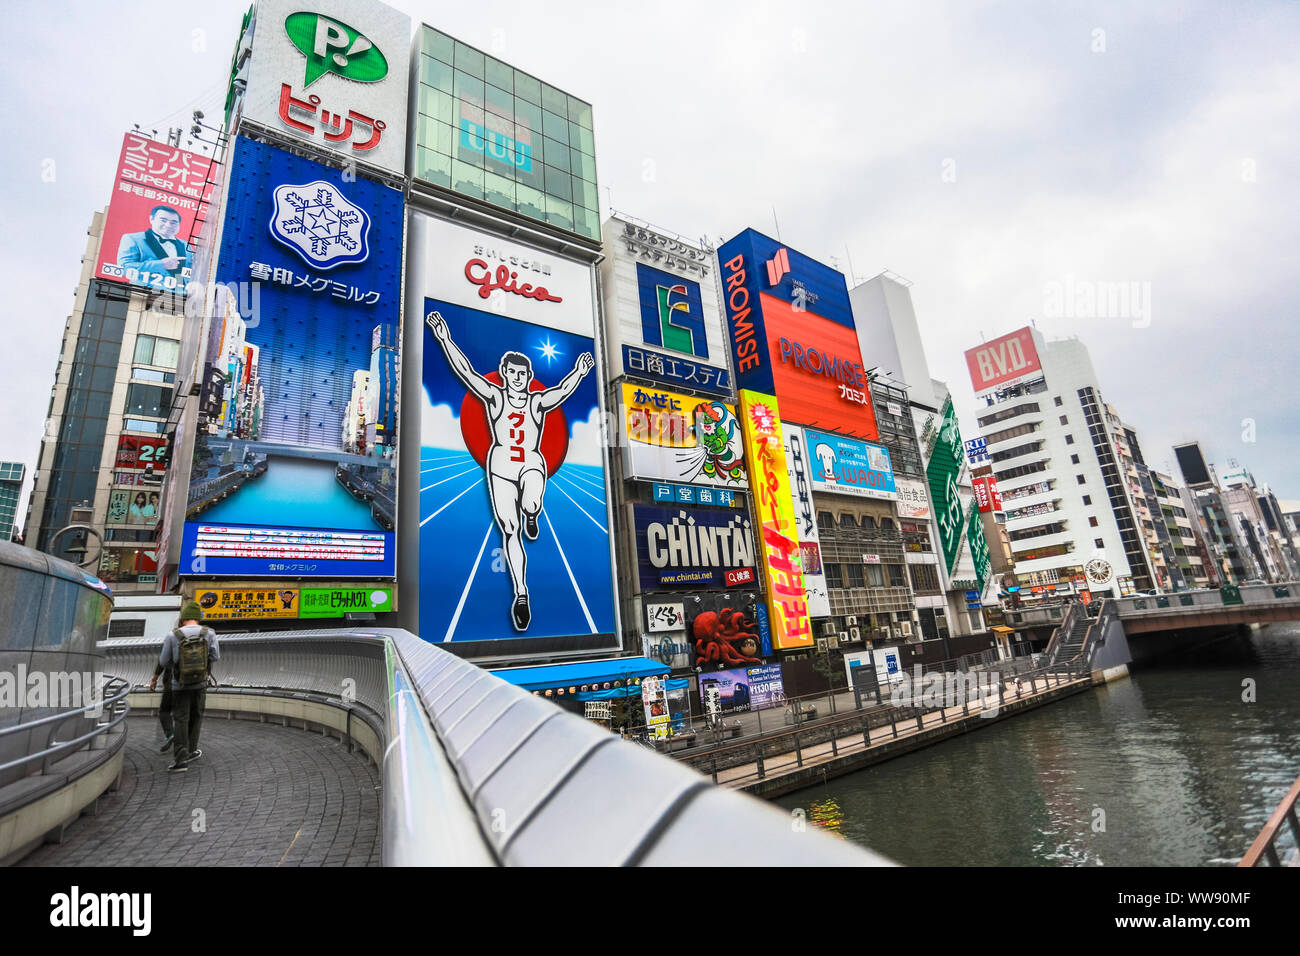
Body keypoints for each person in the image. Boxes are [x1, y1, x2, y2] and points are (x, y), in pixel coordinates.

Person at [426, 310, 594, 632]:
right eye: (512, 372)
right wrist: (445, 338)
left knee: (531, 501)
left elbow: (561, 391)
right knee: (509, 531)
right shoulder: (494, 397)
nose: (518, 377)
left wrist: (580, 372)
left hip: (531, 460)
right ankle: (520, 593)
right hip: (501, 464)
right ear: (504, 373)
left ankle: (533, 511)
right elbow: (467, 372)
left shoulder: (536, 402)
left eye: (523, 373)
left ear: (528, 376)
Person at [157, 601, 220, 772]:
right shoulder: (209, 633)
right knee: (197, 715)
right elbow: (215, 657)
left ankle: (180, 760)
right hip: (200, 683)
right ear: (198, 619)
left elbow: (163, 661)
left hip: (180, 684)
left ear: (184, 619)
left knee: (181, 719)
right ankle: (192, 750)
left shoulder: (173, 635)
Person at [116, 204, 192, 280]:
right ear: (151, 219)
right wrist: (161, 265)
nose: (168, 225)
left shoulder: (186, 245)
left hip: (180, 291)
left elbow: (191, 271)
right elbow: (124, 267)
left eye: (174, 222)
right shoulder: (133, 239)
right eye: (163, 220)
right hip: (144, 289)